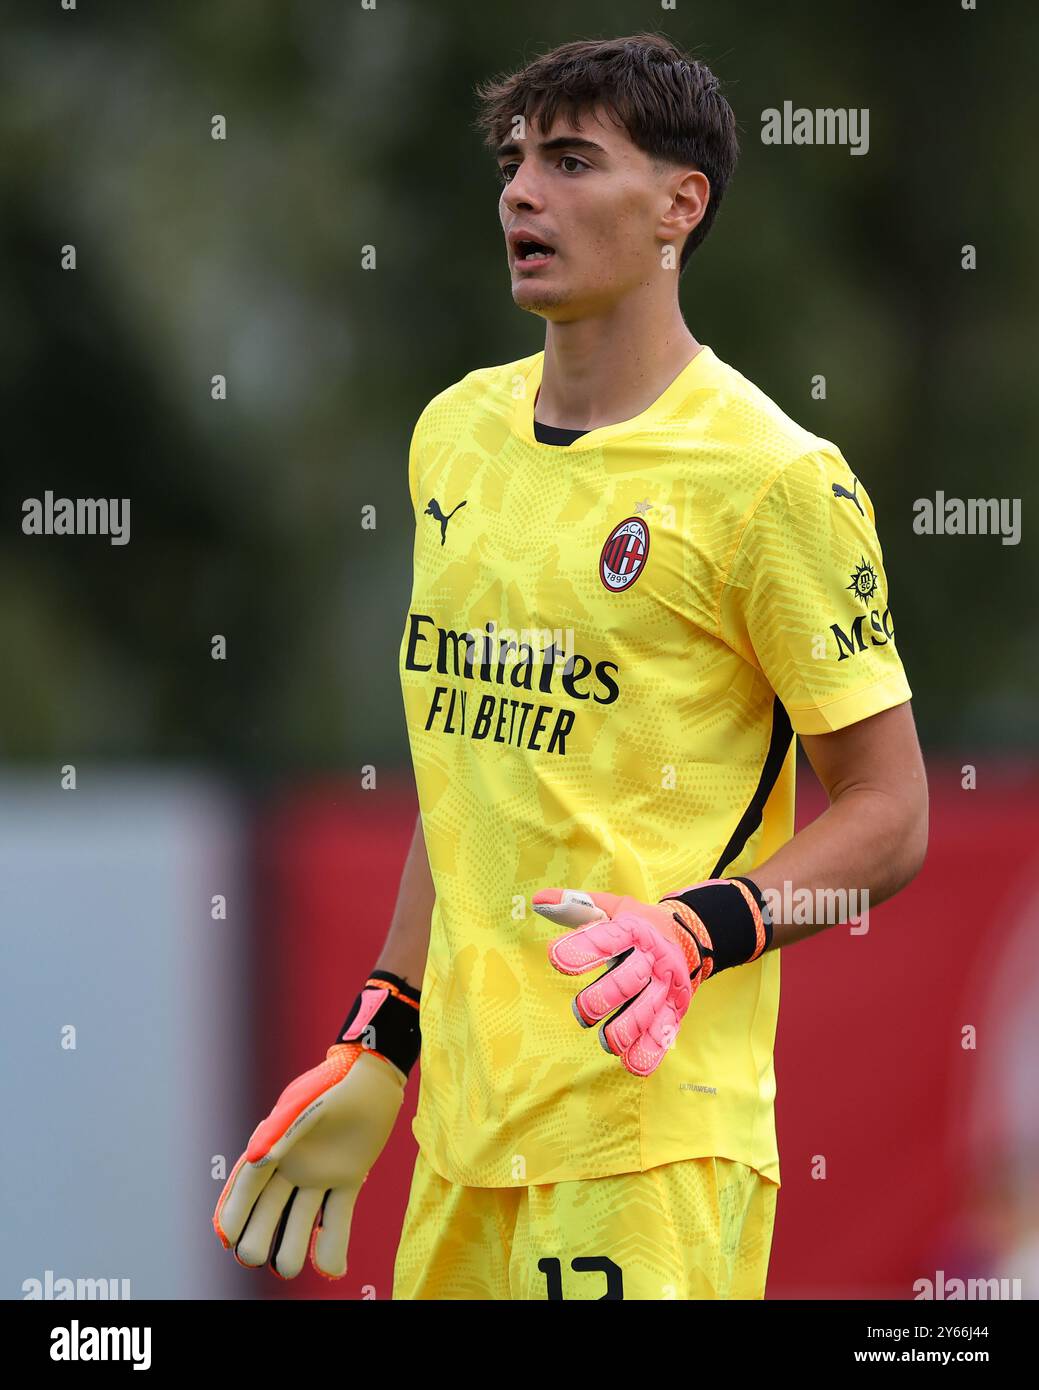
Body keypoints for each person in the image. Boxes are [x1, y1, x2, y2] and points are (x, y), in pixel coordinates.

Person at [214, 31, 928, 1301]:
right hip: (468, 1140)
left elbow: (891, 819)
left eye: (570, 160)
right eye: (513, 161)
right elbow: (472, 774)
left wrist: (698, 934)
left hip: (649, 1146)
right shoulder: (456, 436)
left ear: (678, 206)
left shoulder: (773, 481)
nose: (520, 194)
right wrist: (384, 1031)